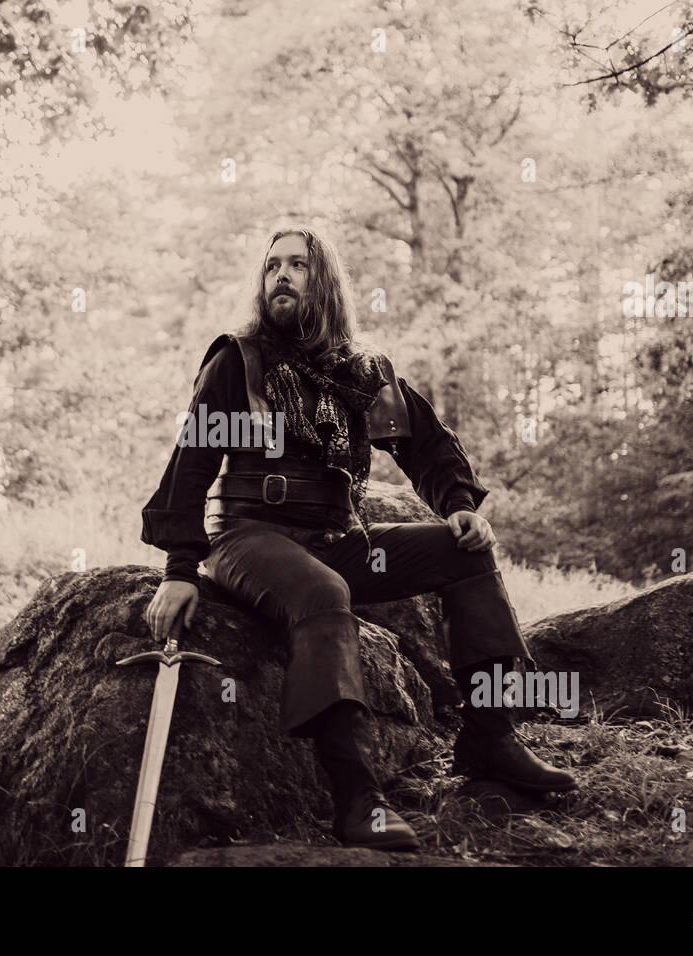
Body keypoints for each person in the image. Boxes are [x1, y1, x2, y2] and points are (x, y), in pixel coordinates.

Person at [141, 227, 575, 851]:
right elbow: (190, 468)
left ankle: (491, 739)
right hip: (246, 537)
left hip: (337, 536)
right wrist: (180, 569)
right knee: (324, 592)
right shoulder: (238, 360)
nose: (282, 276)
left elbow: (426, 444)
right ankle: (357, 798)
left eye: (298, 264)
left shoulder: (361, 372)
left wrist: (458, 507)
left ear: (327, 283)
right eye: (272, 266)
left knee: (466, 552)